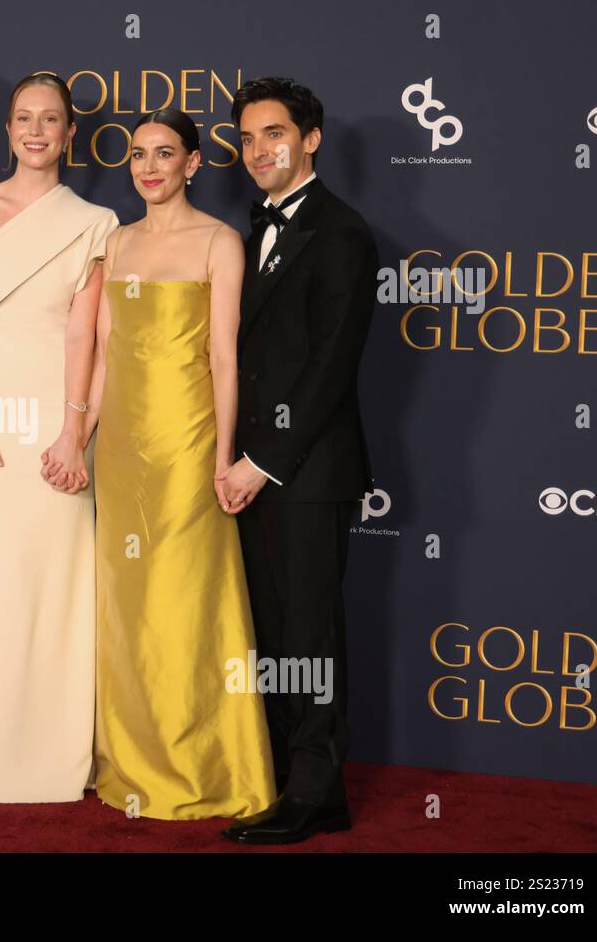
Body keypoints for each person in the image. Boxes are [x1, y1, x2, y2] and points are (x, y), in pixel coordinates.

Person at [0, 72, 118, 803]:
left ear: (70, 133)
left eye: (52, 119)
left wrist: (75, 431)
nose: (37, 131)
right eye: (23, 118)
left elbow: (84, 333)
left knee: (56, 581)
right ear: (7, 131)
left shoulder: (95, 220)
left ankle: (49, 752)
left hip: (55, 418)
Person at [88, 109, 276, 821]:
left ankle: (209, 764)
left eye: (165, 154)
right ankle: (131, 762)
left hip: (189, 443)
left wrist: (224, 456)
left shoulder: (220, 242)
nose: (149, 167)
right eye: (138, 155)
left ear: (194, 163)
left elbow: (226, 360)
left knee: (188, 602)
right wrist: (82, 438)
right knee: (128, 607)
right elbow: (106, 354)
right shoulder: (117, 241)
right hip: (121, 451)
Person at [218, 77, 378, 845]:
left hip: (305, 475)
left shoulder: (343, 234)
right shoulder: (252, 233)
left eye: (273, 134)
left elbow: (329, 369)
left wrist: (262, 464)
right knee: (276, 635)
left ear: (311, 139)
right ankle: (287, 779)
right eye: (247, 138)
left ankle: (314, 793)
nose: (258, 151)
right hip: (255, 471)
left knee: (308, 637)